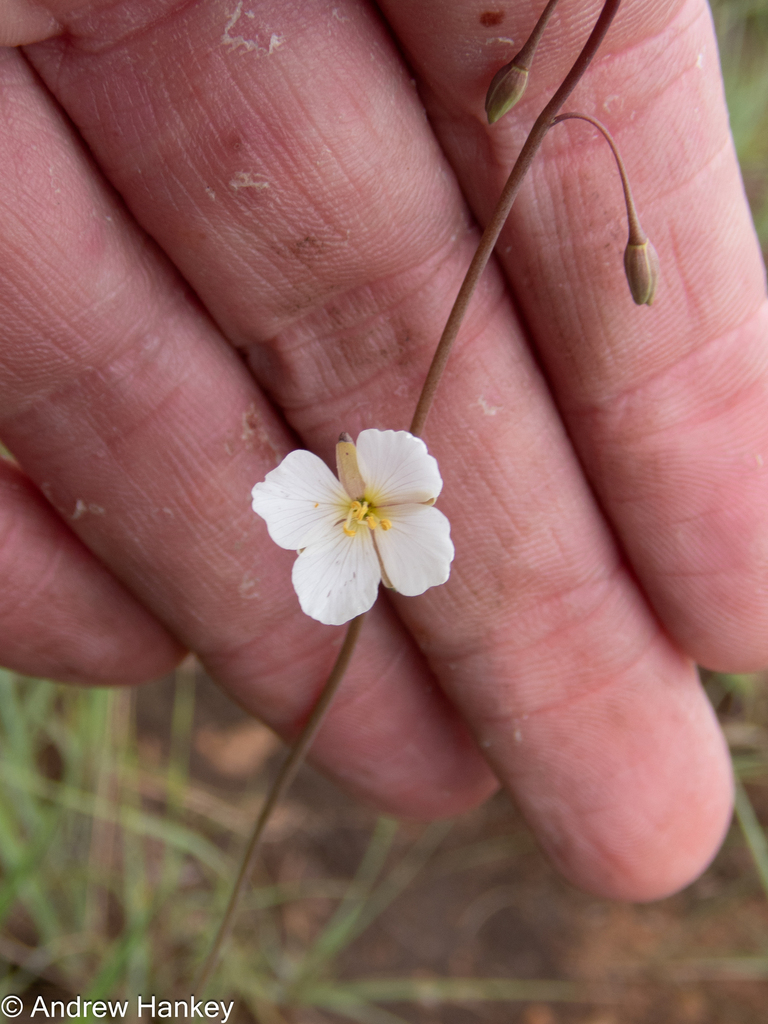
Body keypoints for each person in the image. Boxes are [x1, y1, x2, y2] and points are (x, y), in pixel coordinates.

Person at [1, 0, 765, 903]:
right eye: (359, 508)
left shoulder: (383, 512)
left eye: (361, 510)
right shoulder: (363, 494)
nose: (359, 512)